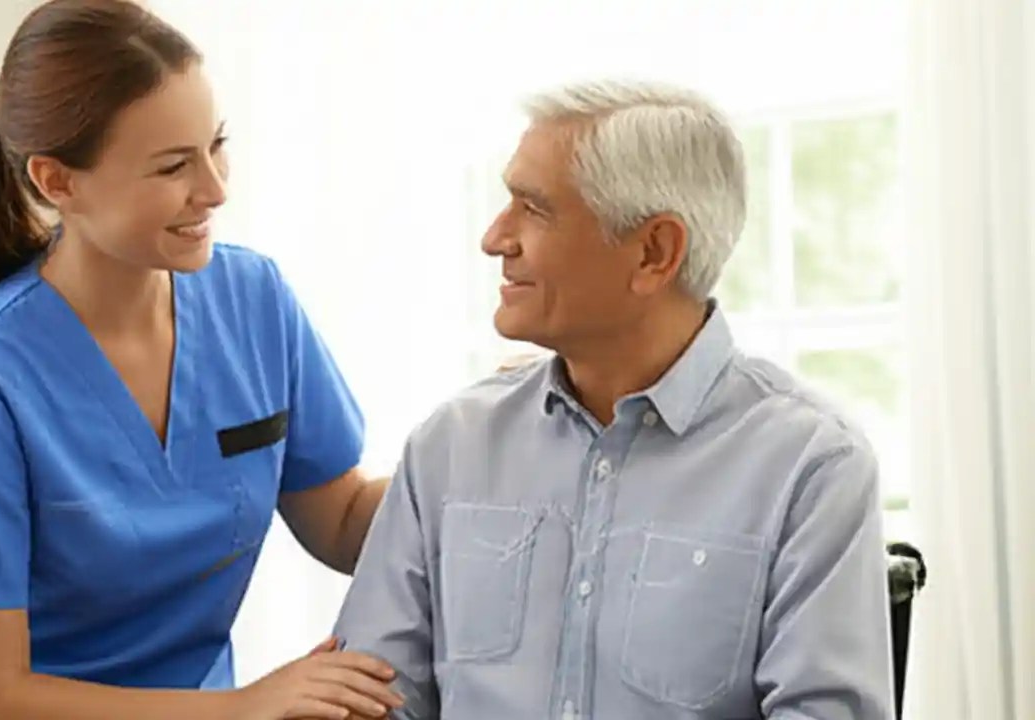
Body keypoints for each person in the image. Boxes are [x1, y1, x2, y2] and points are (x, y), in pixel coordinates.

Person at [0, 2, 404, 718]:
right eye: (174, 166)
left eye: (218, 146)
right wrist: (241, 709)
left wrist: (480, 450)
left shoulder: (256, 302)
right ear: (58, 182)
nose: (216, 188)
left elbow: (339, 521)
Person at [333, 79, 894, 719]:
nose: (495, 237)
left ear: (654, 252)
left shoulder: (812, 468)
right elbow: (369, 697)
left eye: (534, 208)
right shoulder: (451, 445)